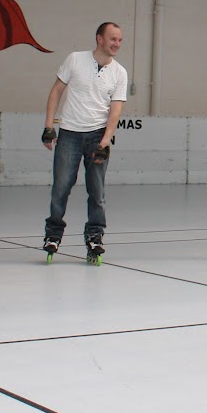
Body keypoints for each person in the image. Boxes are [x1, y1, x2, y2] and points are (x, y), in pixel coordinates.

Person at [41, 22, 128, 265]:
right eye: (113, 39)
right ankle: (53, 235)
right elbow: (56, 91)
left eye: (120, 40)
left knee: (97, 191)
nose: (117, 44)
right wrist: (49, 127)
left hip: (97, 135)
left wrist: (105, 141)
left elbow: (116, 109)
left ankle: (95, 236)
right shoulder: (75, 60)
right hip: (69, 133)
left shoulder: (119, 73)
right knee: (61, 187)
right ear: (99, 38)